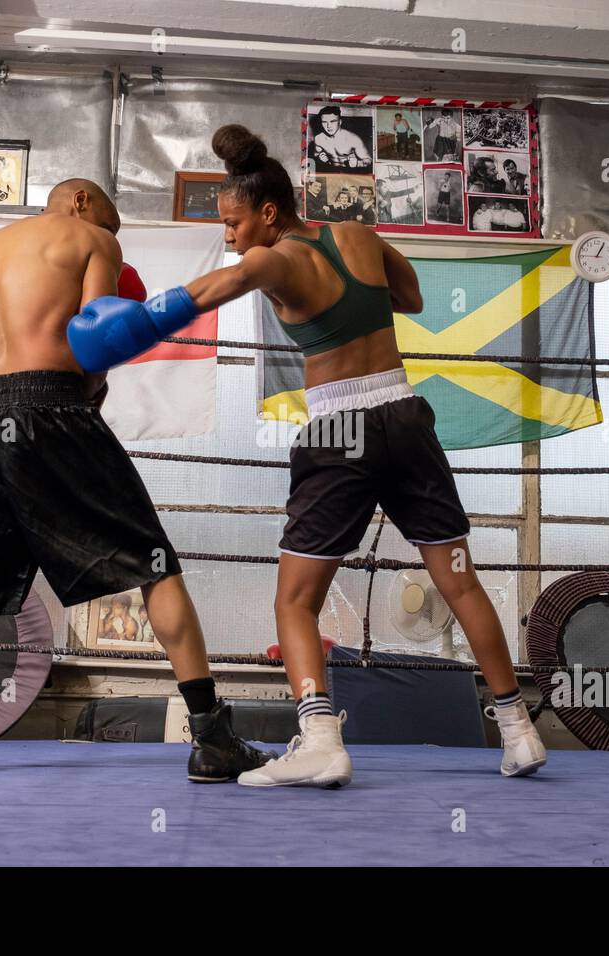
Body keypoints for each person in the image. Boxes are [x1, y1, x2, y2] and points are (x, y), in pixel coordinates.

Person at [65, 126, 547, 788]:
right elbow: (410, 298)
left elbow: (205, 295)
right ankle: (519, 733)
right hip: (406, 418)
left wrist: (122, 330)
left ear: (268, 211)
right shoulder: (358, 234)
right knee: (459, 580)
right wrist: (353, 307)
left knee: (294, 601)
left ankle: (321, 739)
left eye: (233, 222)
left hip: (339, 432)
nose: (229, 236)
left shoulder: (270, 261)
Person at [0, 177, 274, 784]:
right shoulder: (89, 237)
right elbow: (94, 342)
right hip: (51, 410)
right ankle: (213, 738)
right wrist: (96, 386)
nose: (114, 234)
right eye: (112, 219)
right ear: (84, 200)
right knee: (154, 566)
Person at [312, 105, 371, 170]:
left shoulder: (353, 139)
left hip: (349, 173)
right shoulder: (319, 139)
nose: (328, 126)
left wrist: (358, 163)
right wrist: (320, 158)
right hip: (331, 171)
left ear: (340, 122)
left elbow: (368, 161)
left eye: (332, 121)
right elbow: (316, 155)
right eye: (324, 122)